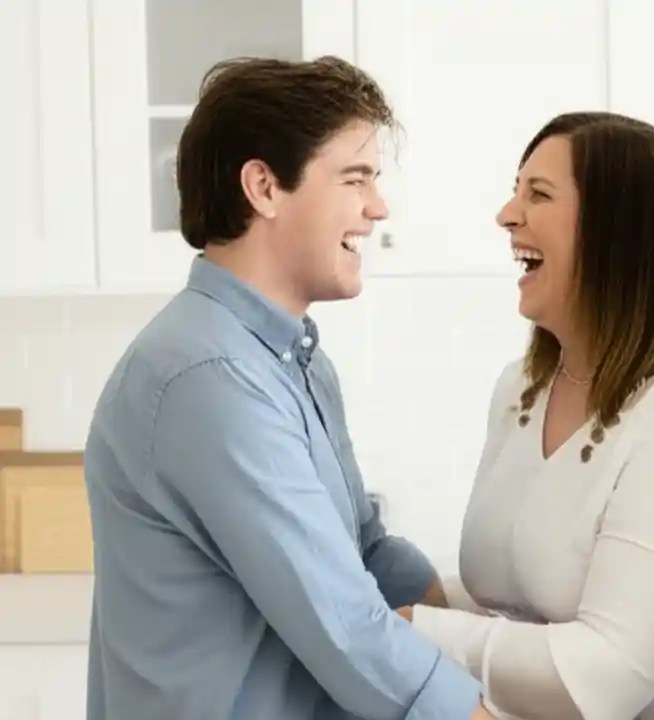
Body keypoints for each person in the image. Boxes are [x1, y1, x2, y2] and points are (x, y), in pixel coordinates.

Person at [83, 56, 490, 720]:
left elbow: (366, 553)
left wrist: (498, 641)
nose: (377, 207)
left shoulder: (287, 360)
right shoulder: (209, 378)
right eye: (355, 178)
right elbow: (347, 626)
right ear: (264, 187)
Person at [410, 111, 654, 719]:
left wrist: (410, 630)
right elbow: (521, 603)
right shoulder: (522, 389)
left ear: (617, 234)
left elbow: (605, 674)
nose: (507, 214)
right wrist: (396, 600)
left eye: (538, 195)